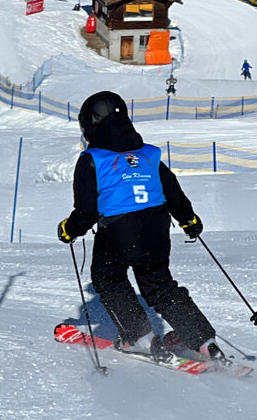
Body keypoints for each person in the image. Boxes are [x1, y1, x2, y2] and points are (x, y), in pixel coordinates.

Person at [56, 91, 225, 365]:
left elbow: (86, 212)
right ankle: (205, 342)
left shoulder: (92, 159)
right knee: (160, 286)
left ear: (89, 125)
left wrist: (68, 229)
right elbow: (173, 193)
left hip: (118, 230)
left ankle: (139, 338)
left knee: (108, 278)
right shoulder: (148, 155)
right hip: (156, 227)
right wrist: (188, 220)